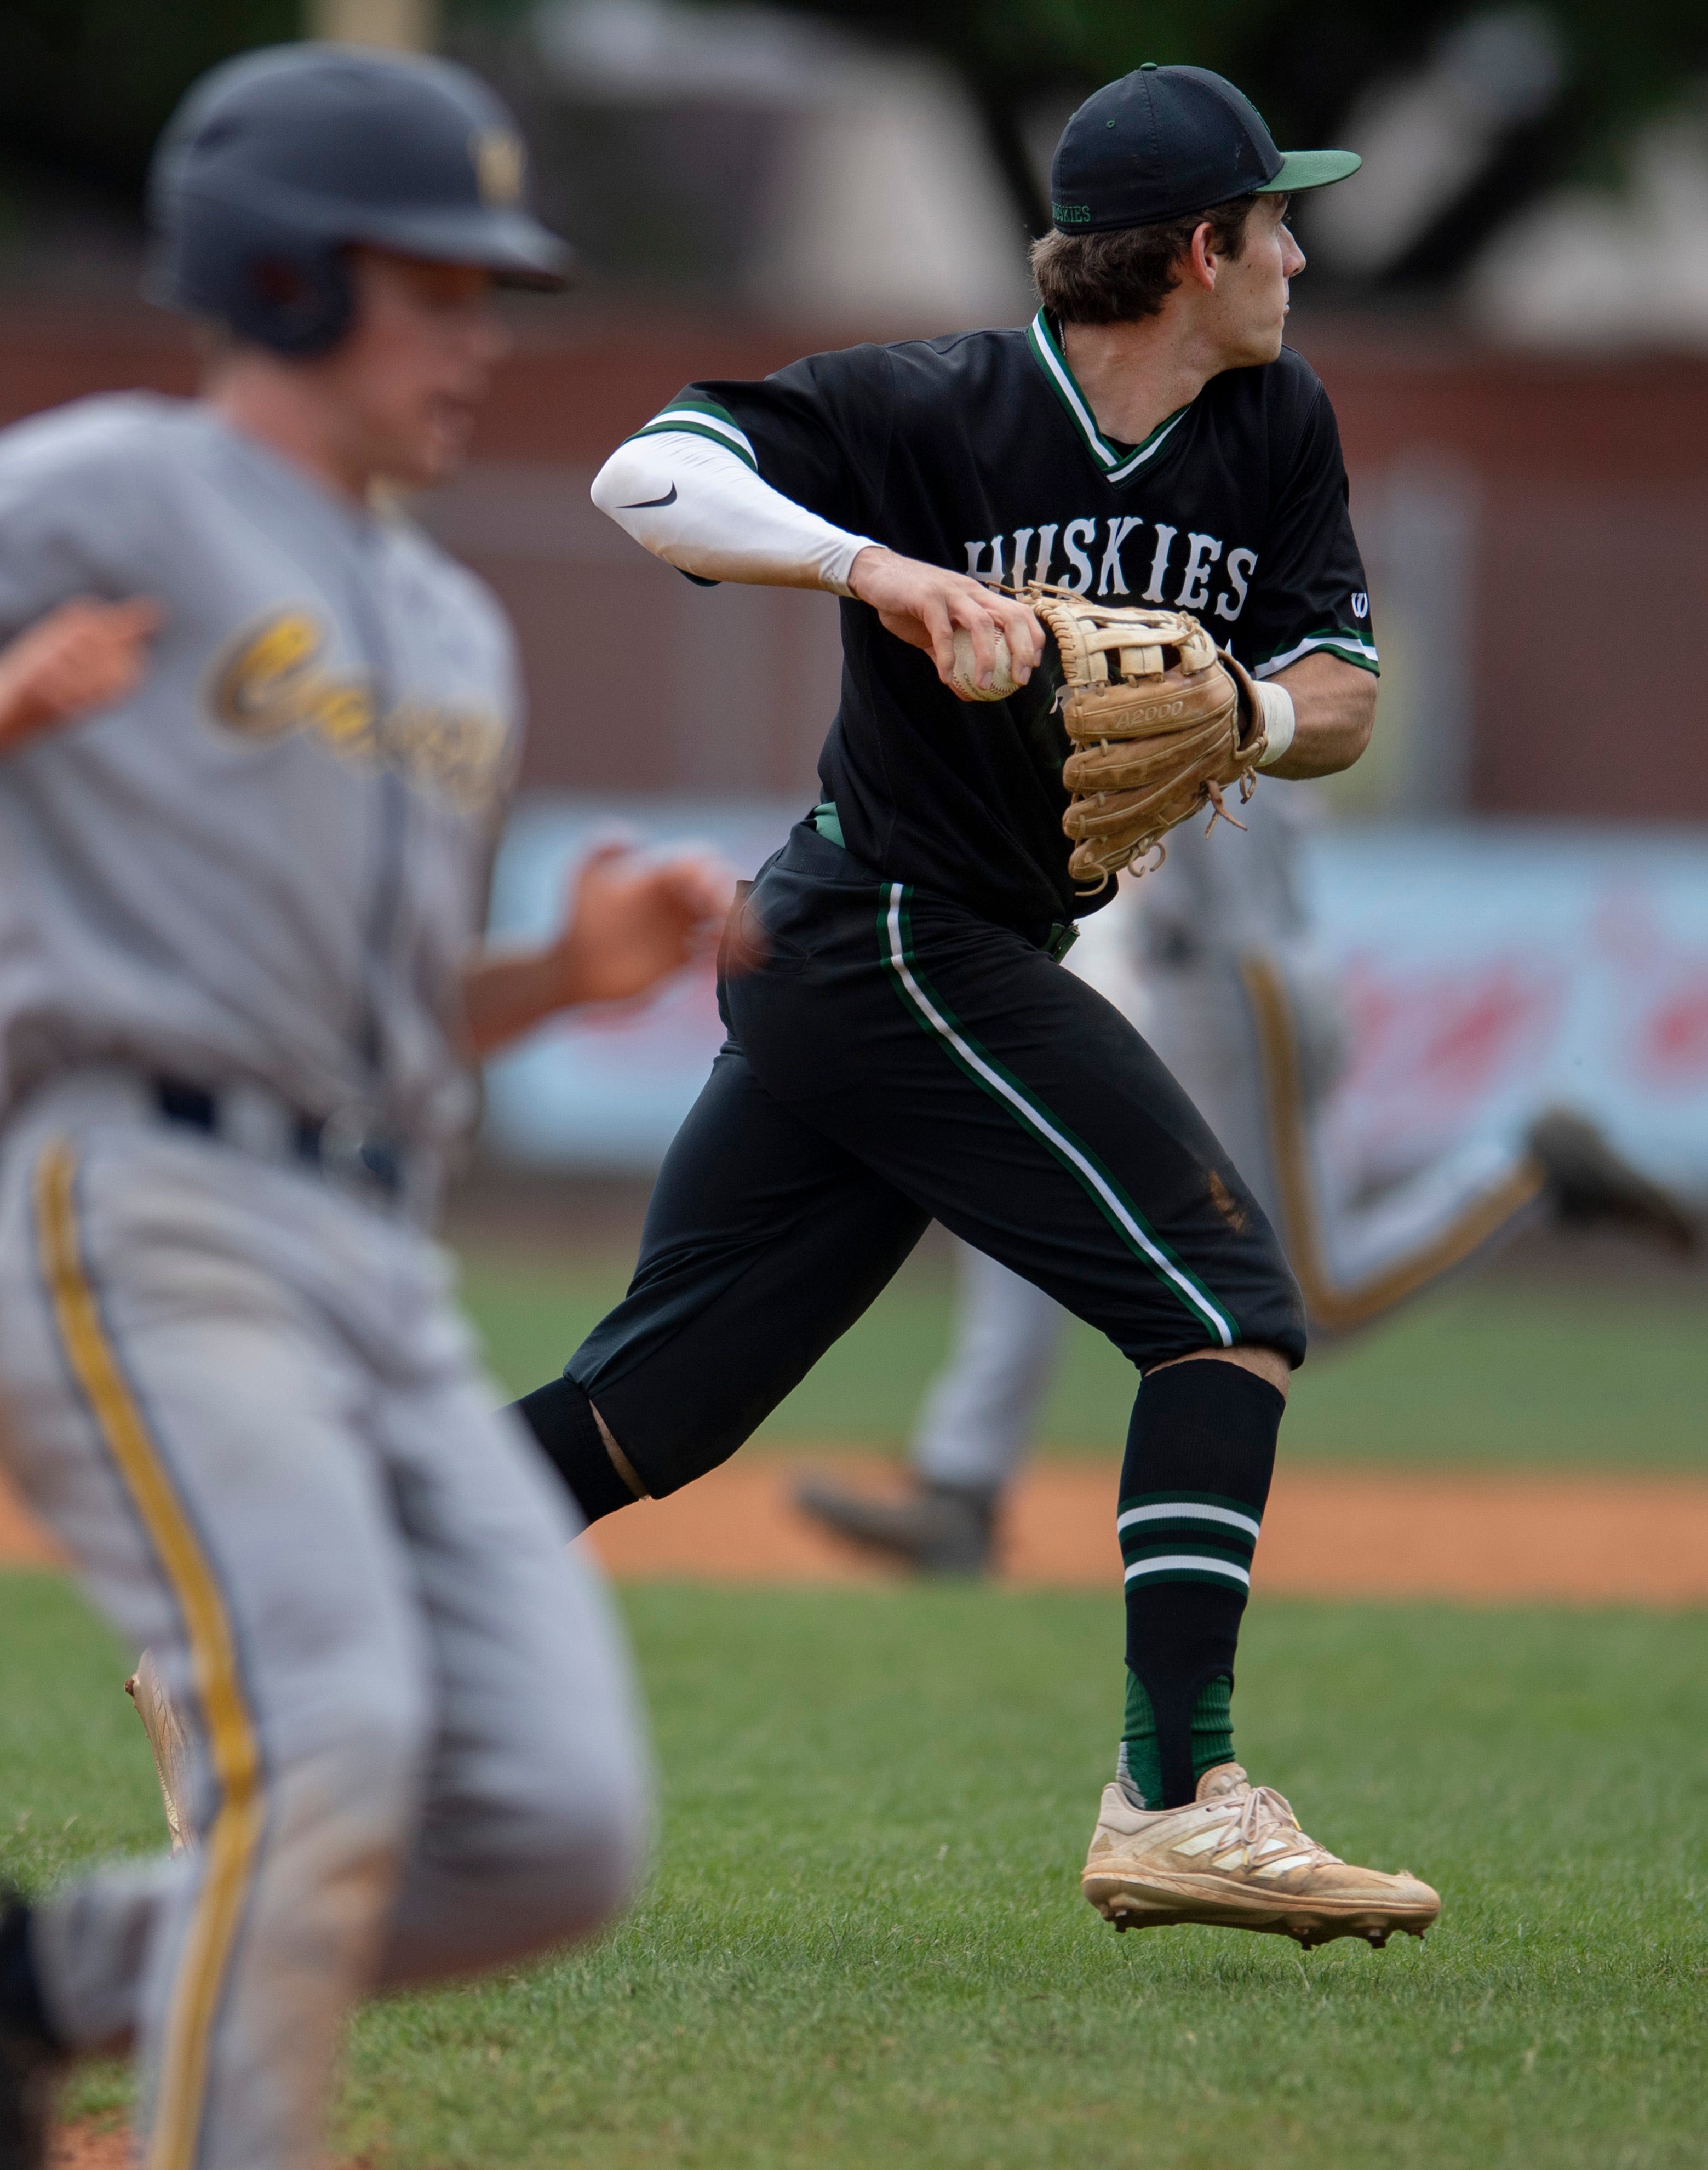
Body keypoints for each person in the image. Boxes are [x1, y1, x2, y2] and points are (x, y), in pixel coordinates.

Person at [0, 45, 733, 2170]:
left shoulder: (453, 628)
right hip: (147, 1212)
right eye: (431, 284)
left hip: (373, 1249)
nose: (476, 335)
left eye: (492, 291)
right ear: (278, 276)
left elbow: (376, 1039)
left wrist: (559, 983)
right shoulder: (121, 487)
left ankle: (26, 1986)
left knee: (554, 1830)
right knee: (335, 1731)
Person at [511, 62, 1445, 1954]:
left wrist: (1245, 712)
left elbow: (1339, 696)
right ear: (1199, 249)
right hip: (883, 929)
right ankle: (1173, 1797)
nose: (1297, 255)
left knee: (649, 1412)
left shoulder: (1271, 425)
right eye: (1276, 223)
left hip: (923, 953)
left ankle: (253, 1651)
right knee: (1225, 1308)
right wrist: (878, 571)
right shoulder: (935, 403)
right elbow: (643, 478)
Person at [795, 785, 1699, 1576]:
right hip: (1186, 974)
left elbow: (1148, 795)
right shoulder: (1218, 657)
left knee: (1307, 1301)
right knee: (1013, 1174)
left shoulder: (1195, 655)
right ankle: (961, 1484)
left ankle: (1529, 1174)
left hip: (1229, 989)